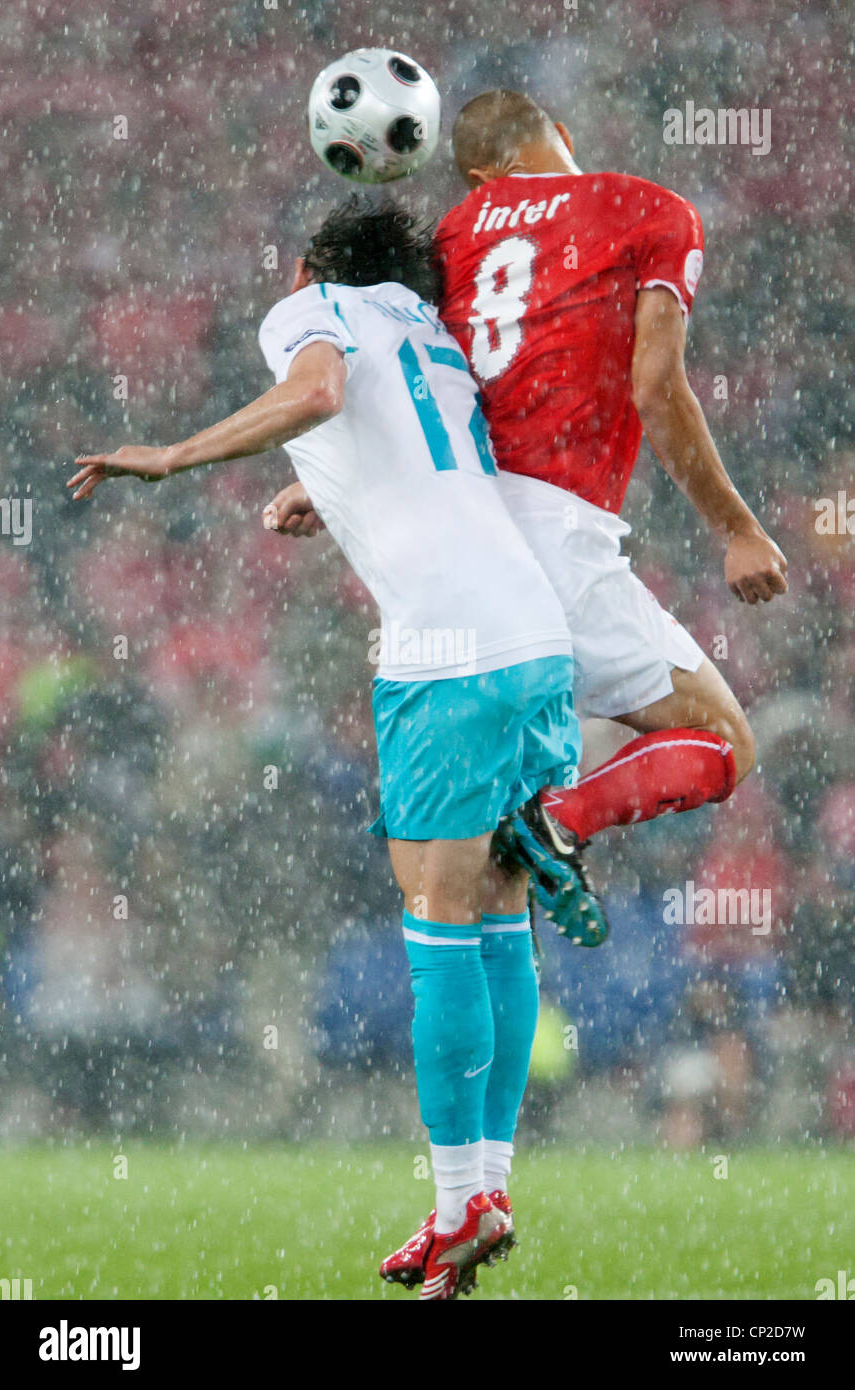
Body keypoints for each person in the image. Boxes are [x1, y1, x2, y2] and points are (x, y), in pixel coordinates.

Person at [67, 198, 602, 1301]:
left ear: (311, 266)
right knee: (497, 913)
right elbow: (436, 465)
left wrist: (170, 456)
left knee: (437, 925)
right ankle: (483, 1191)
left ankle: (457, 1201)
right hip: (536, 644)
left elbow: (316, 390)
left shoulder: (312, 309)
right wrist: (329, 486)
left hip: (445, 660)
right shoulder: (438, 337)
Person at [272, 90, 788, 867]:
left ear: (482, 178)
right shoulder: (649, 210)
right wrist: (739, 529)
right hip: (553, 538)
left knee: (468, 873)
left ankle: (519, 844)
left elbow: (419, 380)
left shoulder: (451, 236)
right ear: (563, 135)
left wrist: (328, 484)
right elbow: (657, 385)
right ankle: (558, 822)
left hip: (457, 544)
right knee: (726, 742)